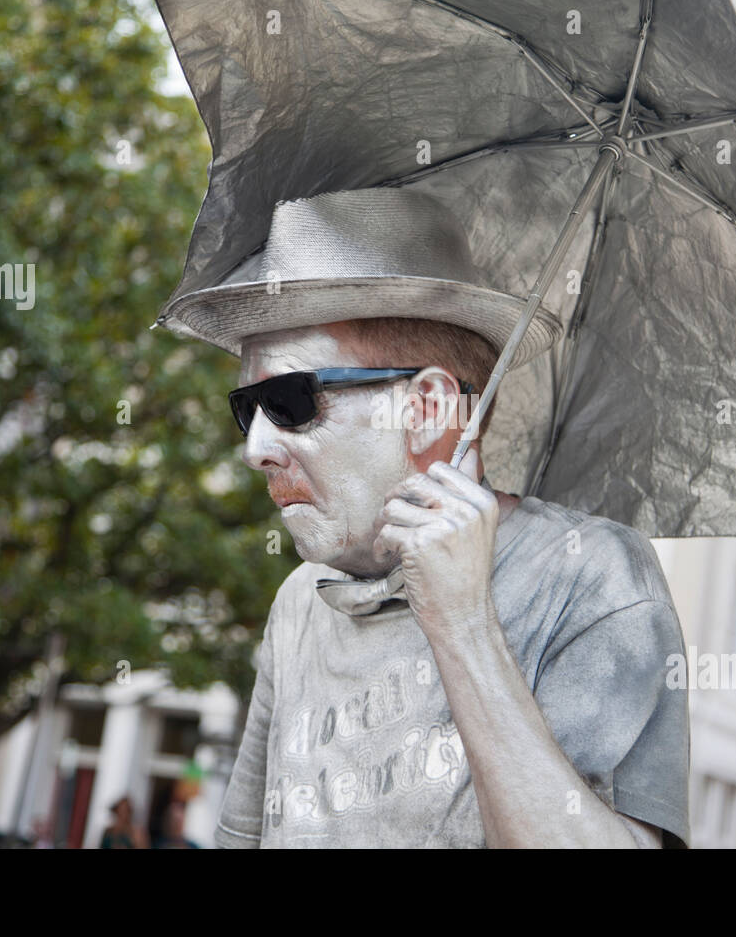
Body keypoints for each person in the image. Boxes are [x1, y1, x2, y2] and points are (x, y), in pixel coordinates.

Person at [159, 187, 690, 848]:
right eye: (247, 408)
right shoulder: (299, 603)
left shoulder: (591, 577)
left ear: (431, 408)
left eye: (289, 400)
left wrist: (462, 623)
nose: (255, 450)